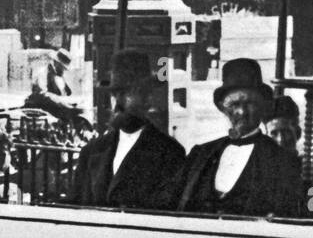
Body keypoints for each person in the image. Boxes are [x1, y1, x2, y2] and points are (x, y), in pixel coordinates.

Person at [175, 58, 301, 216]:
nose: (242, 112)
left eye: (250, 104)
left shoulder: (283, 161)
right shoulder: (200, 154)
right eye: (234, 105)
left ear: (262, 107)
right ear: (223, 109)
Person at [72, 50, 186, 209]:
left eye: (127, 93)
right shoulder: (92, 151)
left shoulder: (169, 153)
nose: (117, 102)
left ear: (147, 98)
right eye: (115, 94)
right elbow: (77, 207)